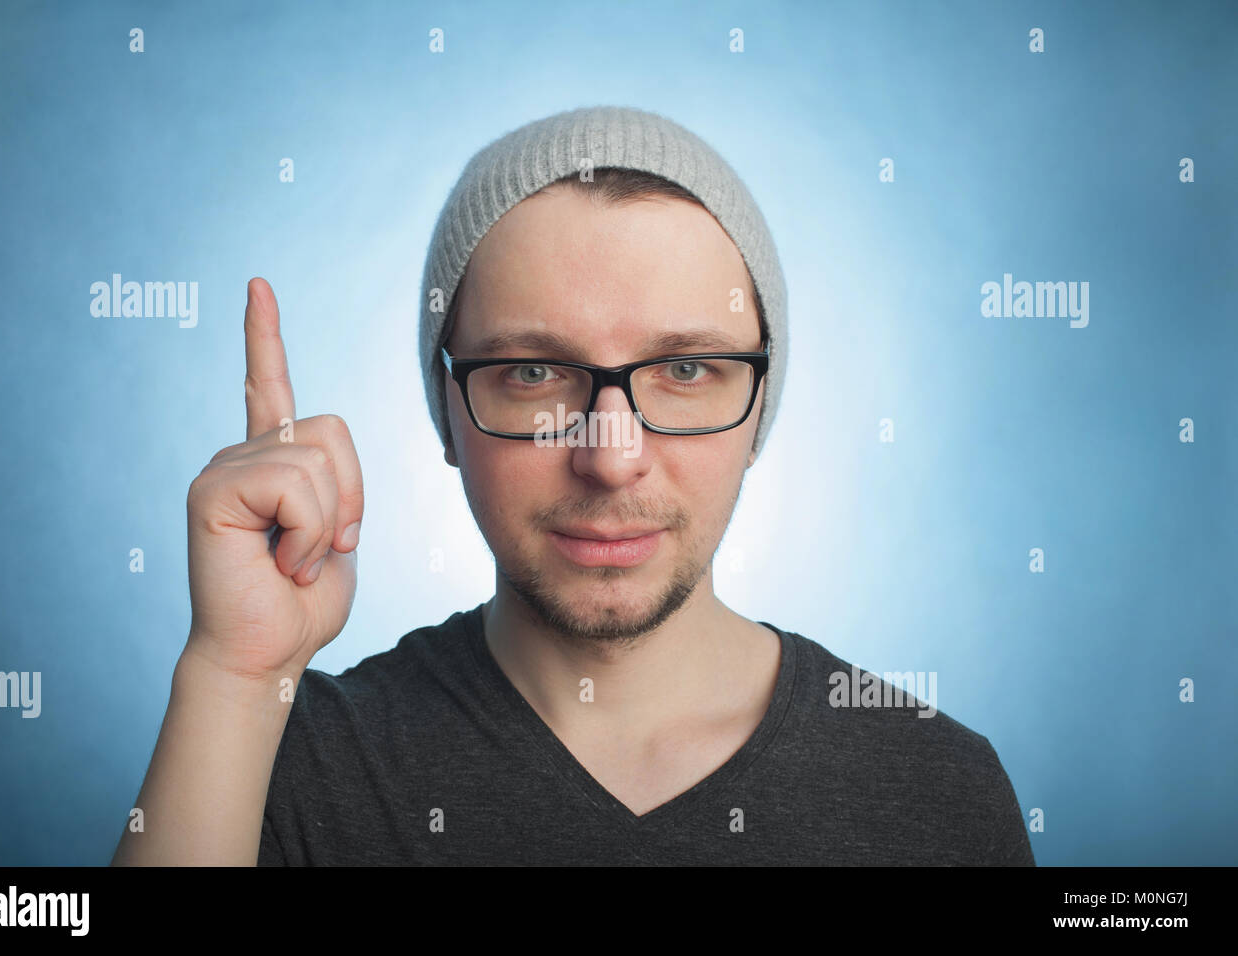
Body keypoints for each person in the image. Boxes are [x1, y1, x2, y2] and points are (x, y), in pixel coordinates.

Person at [112, 105, 1034, 866]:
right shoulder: (280, 762)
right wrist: (235, 677)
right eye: (533, 372)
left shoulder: (933, 788)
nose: (609, 454)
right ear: (448, 407)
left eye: (684, 371)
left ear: (760, 407)